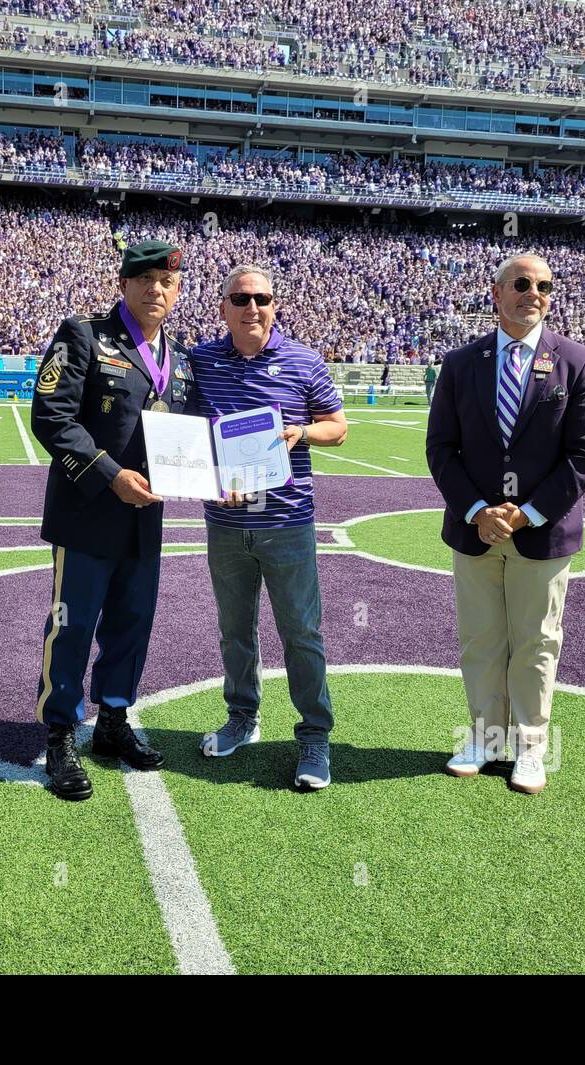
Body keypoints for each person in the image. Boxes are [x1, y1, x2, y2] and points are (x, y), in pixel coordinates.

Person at [427, 254, 585, 794]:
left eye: (545, 286)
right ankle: (485, 738)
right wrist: (478, 511)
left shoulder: (578, 362)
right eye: (523, 284)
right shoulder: (462, 363)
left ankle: (529, 747)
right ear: (497, 292)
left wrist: (525, 513)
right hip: (474, 530)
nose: (535, 293)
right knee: (481, 638)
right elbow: (441, 449)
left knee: (536, 642)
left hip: (543, 534)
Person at [29, 239, 198, 801]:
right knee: (72, 625)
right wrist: (110, 474)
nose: (157, 289)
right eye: (146, 278)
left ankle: (112, 721)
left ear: (177, 292)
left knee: (131, 624)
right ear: (123, 284)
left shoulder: (183, 359)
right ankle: (59, 733)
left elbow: (188, 435)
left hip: (146, 519)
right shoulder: (83, 336)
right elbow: (51, 418)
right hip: (87, 513)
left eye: (167, 282)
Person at [189, 264, 348, 790]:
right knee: (235, 629)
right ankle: (243, 718)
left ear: (275, 305)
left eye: (261, 298)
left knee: (301, 632)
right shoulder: (203, 361)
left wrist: (301, 431)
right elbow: (187, 436)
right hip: (226, 521)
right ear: (224, 309)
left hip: (287, 522)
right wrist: (209, 477)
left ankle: (314, 736)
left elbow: (338, 427)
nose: (252, 307)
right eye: (240, 298)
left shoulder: (303, 360)